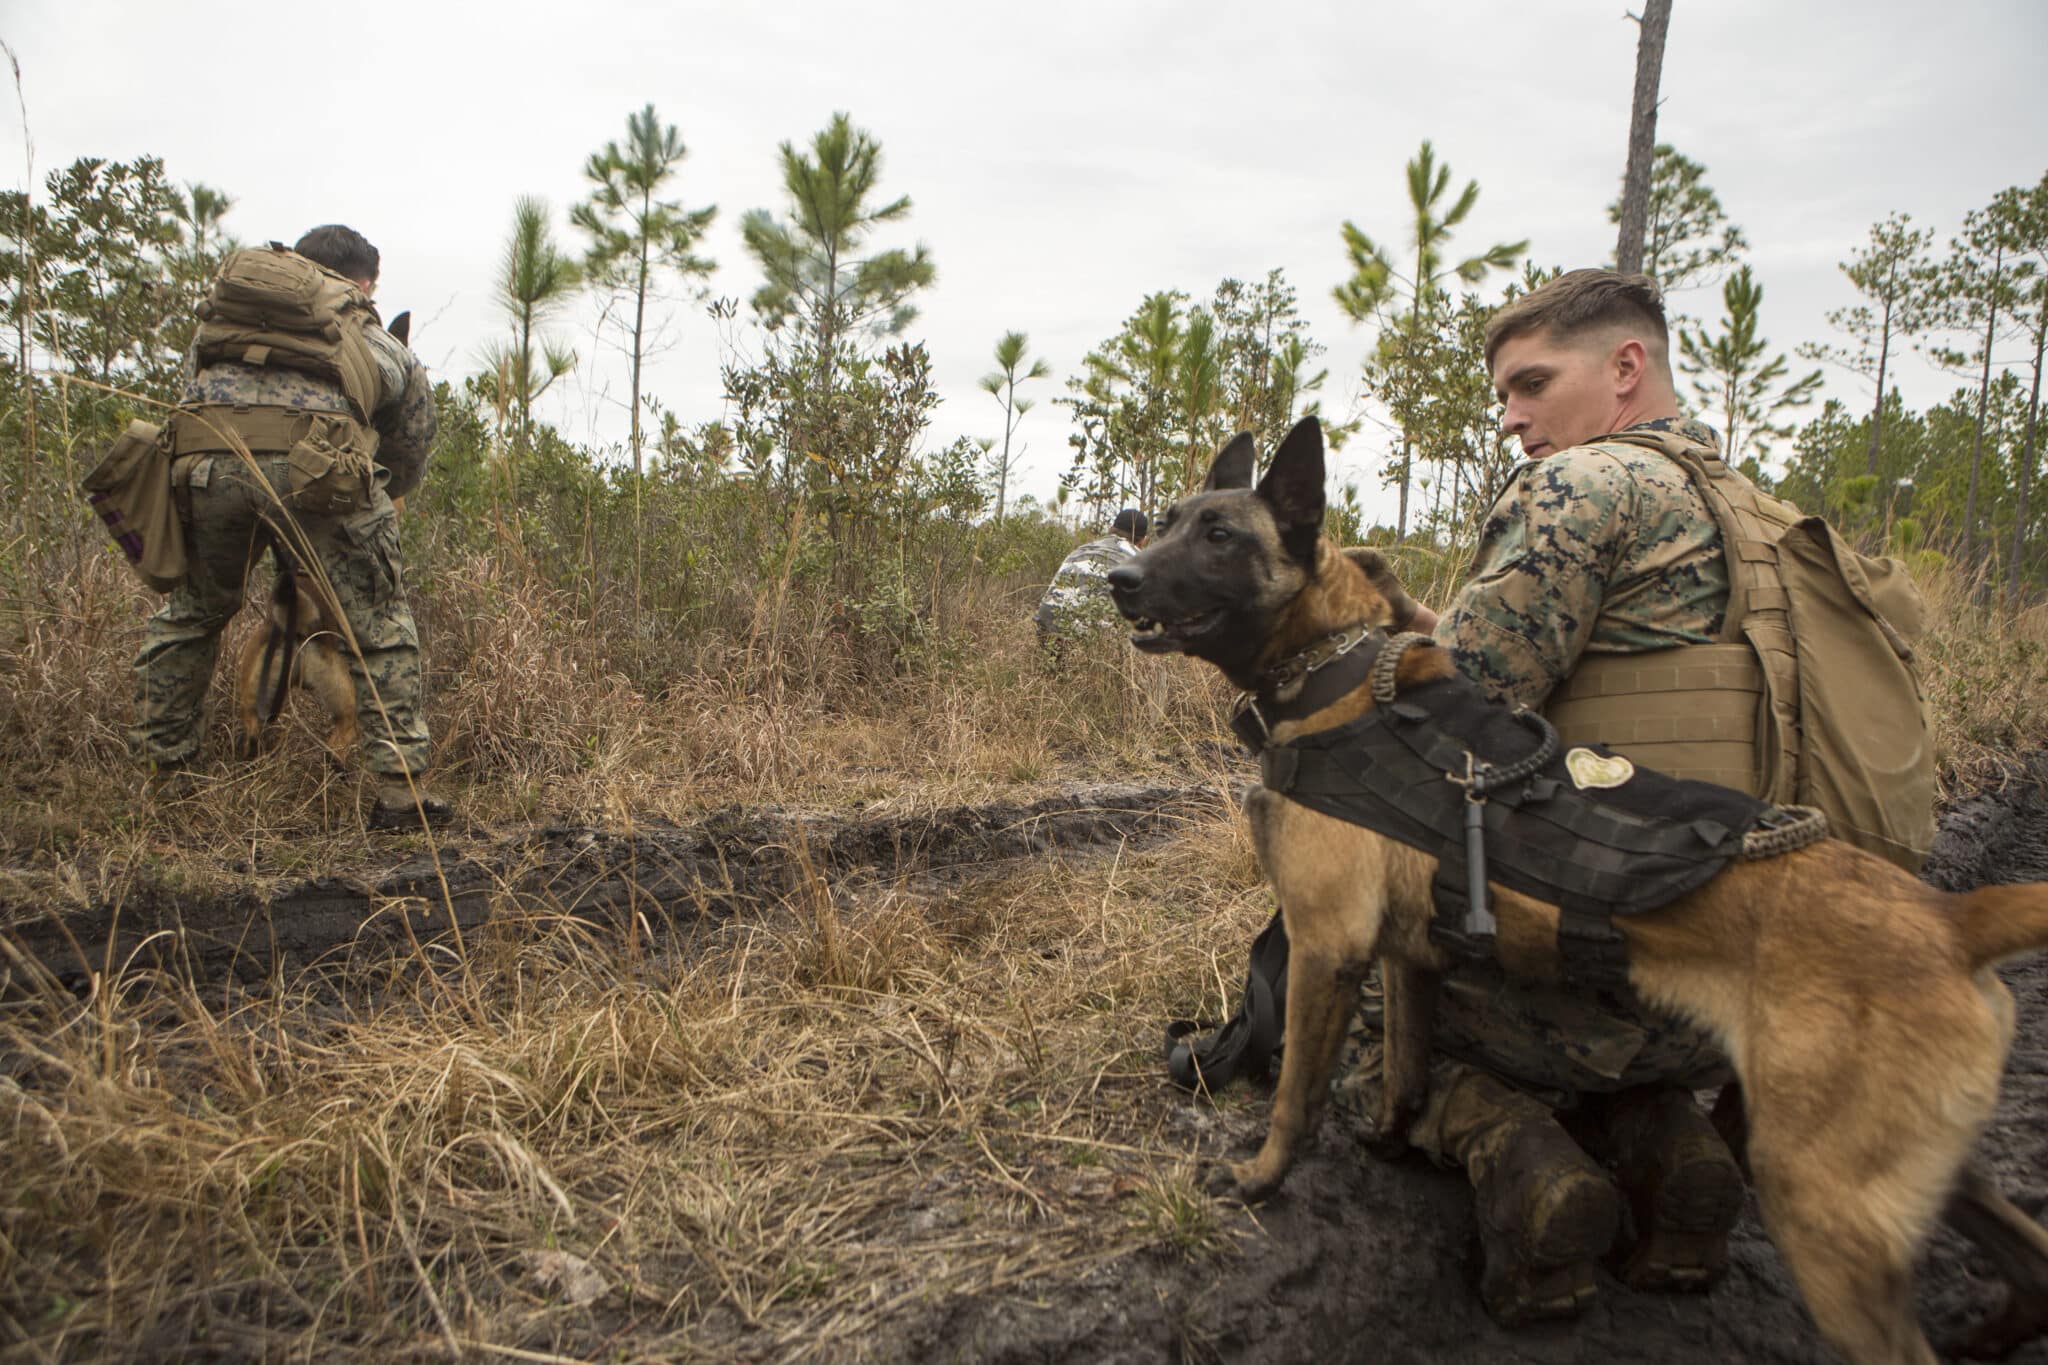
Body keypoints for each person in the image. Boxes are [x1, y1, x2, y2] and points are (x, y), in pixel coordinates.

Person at [1335, 270, 1769, 1324]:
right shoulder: (1761, 515)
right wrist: (1419, 614)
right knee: (1623, 1034)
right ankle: (1668, 1138)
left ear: (1625, 368)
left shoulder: (1580, 490)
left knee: (1345, 987)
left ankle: (1516, 1153)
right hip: (1734, 1004)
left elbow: (1441, 721)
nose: (1511, 417)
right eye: (1499, 397)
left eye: (1531, 383)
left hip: (1575, 989)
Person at [128, 224, 447, 829]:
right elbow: (411, 439)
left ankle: (163, 779)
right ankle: (402, 796)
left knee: (190, 615)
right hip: (319, 476)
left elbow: (187, 399)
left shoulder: (225, 324)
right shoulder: (365, 330)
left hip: (208, 466)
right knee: (380, 625)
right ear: (367, 281)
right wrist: (385, 495)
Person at [1035, 507, 1148, 652]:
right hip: (1094, 647)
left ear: (1110, 529)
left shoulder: (1080, 550)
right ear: (1143, 540)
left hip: (1047, 634)